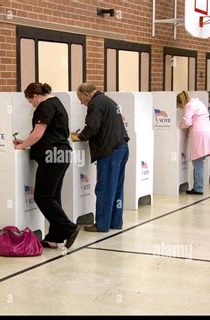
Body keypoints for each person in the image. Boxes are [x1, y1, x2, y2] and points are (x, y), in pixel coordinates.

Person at [13, 82, 80, 249]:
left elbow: (38, 133)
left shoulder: (45, 106)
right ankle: (54, 238)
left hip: (52, 155)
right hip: (61, 153)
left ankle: (69, 228)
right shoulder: (57, 102)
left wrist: (22, 146)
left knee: (42, 197)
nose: (32, 104)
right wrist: (25, 142)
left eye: (31, 101)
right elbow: (46, 133)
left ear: (36, 96)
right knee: (53, 197)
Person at [71, 83, 129, 232]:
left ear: (86, 94)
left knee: (105, 188)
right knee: (116, 188)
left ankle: (101, 224)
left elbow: (93, 126)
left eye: (80, 98)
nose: (81, 102)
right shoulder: (108, 100)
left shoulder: (96, 103)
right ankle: (115, 222)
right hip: (121, 147)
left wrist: (80, 137)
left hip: (110, 151)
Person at [177, 91, 210, 195]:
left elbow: (187, 122)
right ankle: (197, 187)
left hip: (199, 135)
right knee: (199, 163)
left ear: (181, 102)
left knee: (198, 164)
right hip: (208, 133)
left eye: (179, 105)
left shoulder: (189, 106)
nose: (179, 108)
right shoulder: (198, 103)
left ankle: (198, 188)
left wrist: (180, 126)